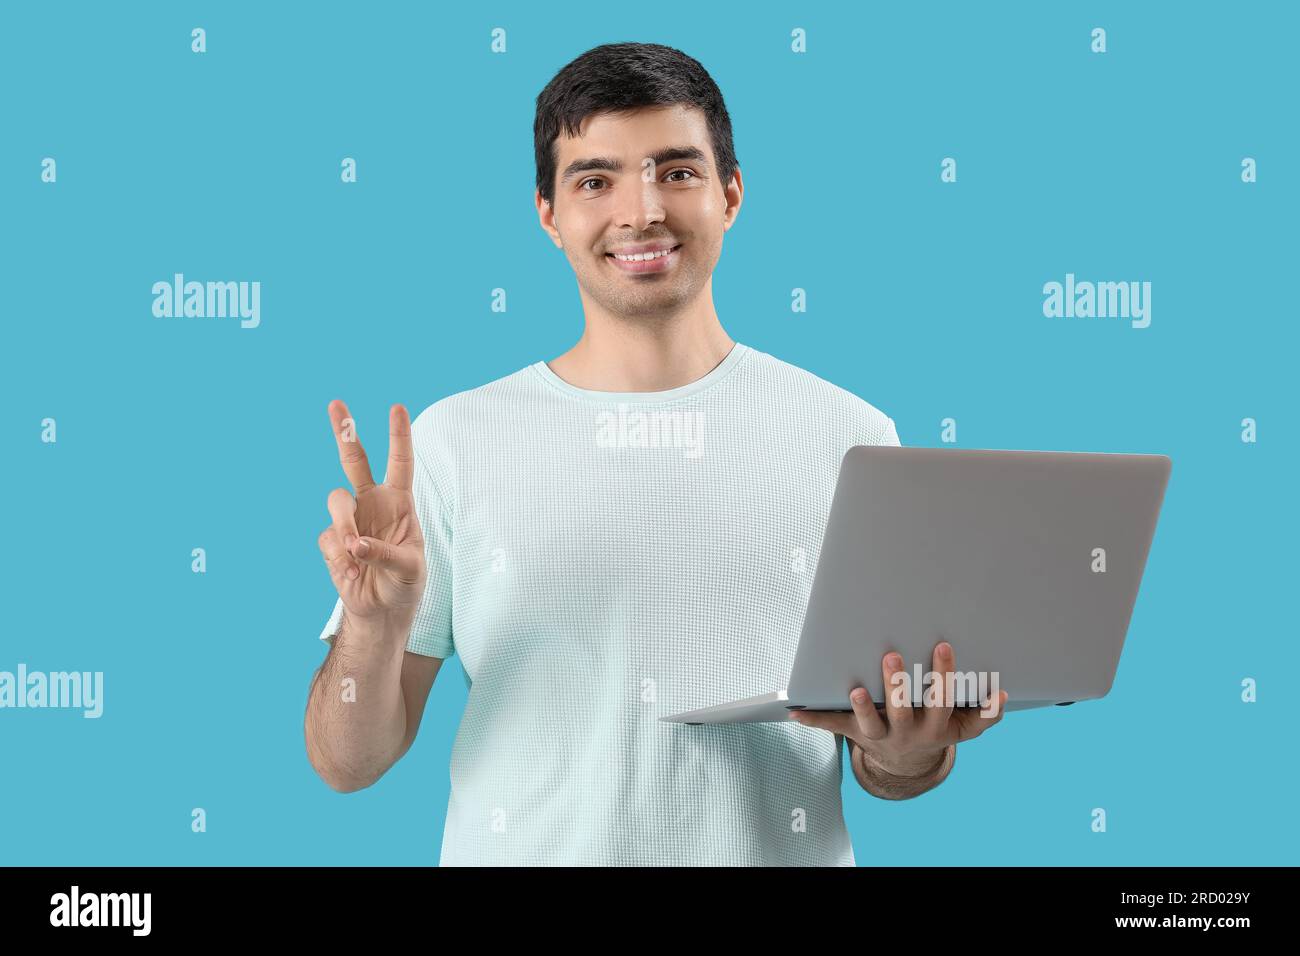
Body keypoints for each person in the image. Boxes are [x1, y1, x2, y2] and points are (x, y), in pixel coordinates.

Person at [304, 42, 1006, 866]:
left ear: (731, 193)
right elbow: (346, 765)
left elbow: (890, 763)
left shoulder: (849, 436)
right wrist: (373, 628)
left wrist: (911, 747)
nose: (640, 212)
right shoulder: (454, 442)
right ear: (547, 212)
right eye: (595, 180)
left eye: (676, 171)